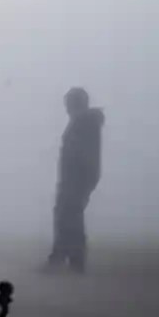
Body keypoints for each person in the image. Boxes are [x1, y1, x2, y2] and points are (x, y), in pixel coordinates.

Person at [45, 87, 105, 273]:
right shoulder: (84, 122)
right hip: (76, 178)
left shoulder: (83, 123)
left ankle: (71, 260)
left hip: (77, 179)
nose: (66, 108)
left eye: (68, 104)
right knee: (66, 216)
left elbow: (80, 154)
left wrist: (77, 179)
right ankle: (64, 258)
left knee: (69, 217)